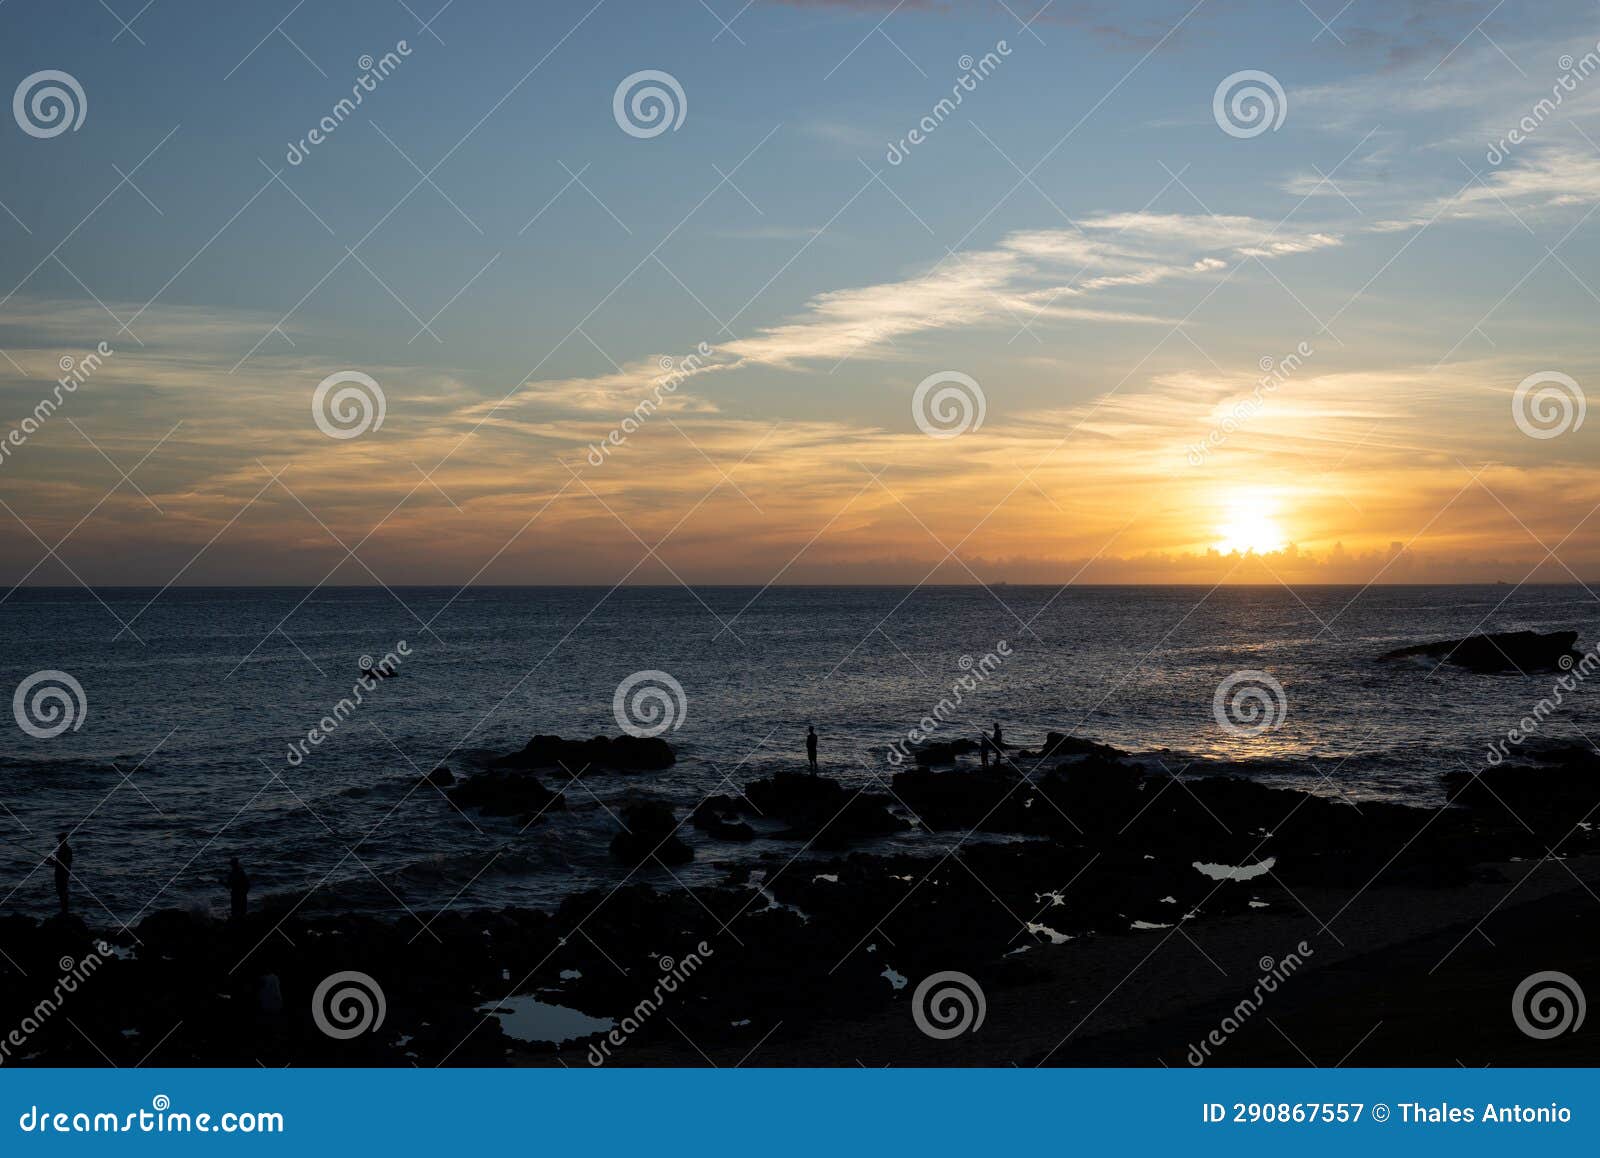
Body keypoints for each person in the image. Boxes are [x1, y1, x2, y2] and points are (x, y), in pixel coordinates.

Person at [50, 833, 72, 916]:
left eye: (59, 839)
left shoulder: (65, 850)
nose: (58, 840)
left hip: (62, 874)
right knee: (61, 891)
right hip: (61, 873)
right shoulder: (63, 849)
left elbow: (63, 863)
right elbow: (59, 863)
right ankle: (64, 911)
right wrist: (51, 861)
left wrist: (52, 862)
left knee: (62, 891)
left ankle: (64, 912)